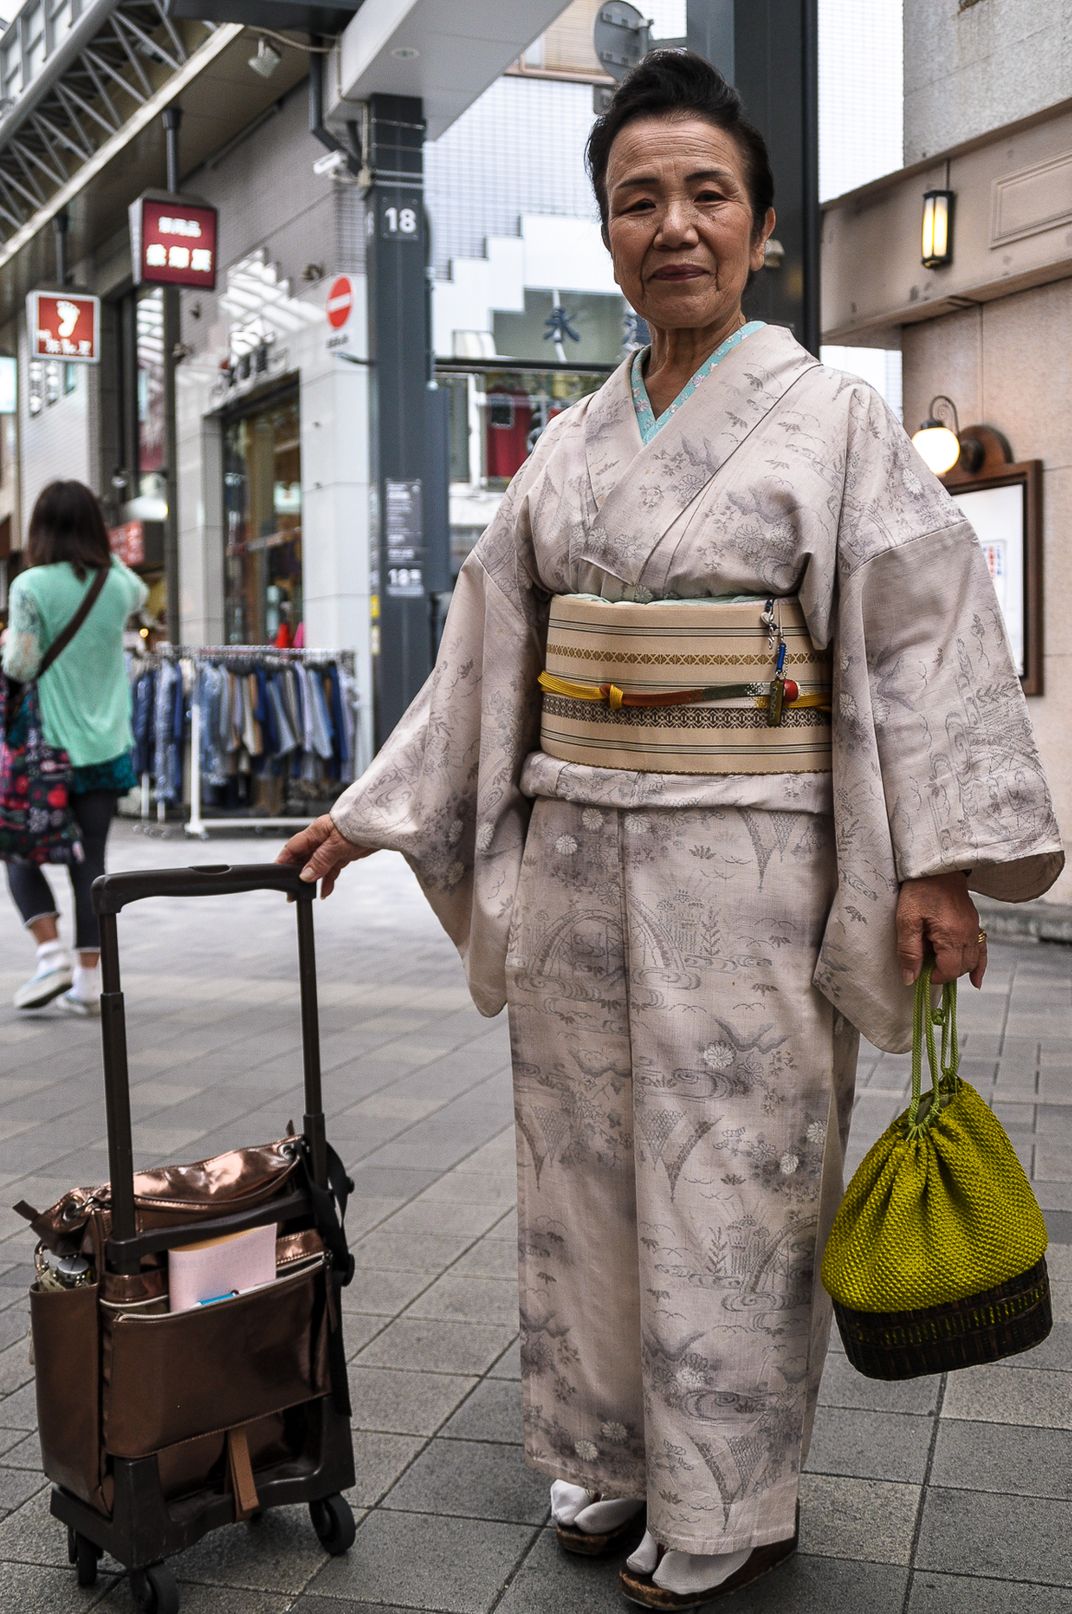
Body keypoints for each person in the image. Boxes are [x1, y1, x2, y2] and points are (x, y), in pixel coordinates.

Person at [278, 52, 1063, 1610]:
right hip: (576, 860)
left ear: (762, 227)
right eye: (640, 199)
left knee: (737, 1178)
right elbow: (488, 648)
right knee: (587, 1173)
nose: (675, 224)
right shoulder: (567, 448)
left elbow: (927, 647)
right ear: (608, 234)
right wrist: (379, 809)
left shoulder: (836, 422)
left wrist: (940, 865)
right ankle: (618, 1453)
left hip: (754, 868)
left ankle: (730, 1494)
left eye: (708, 193)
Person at [4, 480, 148, 1015]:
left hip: (47, 752)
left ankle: (49, 955)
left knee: (19, 848)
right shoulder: (119, 585)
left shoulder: (30, 586)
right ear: (94, 527)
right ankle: (90, 984)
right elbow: (137, 589)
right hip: (107, 747)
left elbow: (19, 666)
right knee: (92, 860)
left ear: (40, 528)